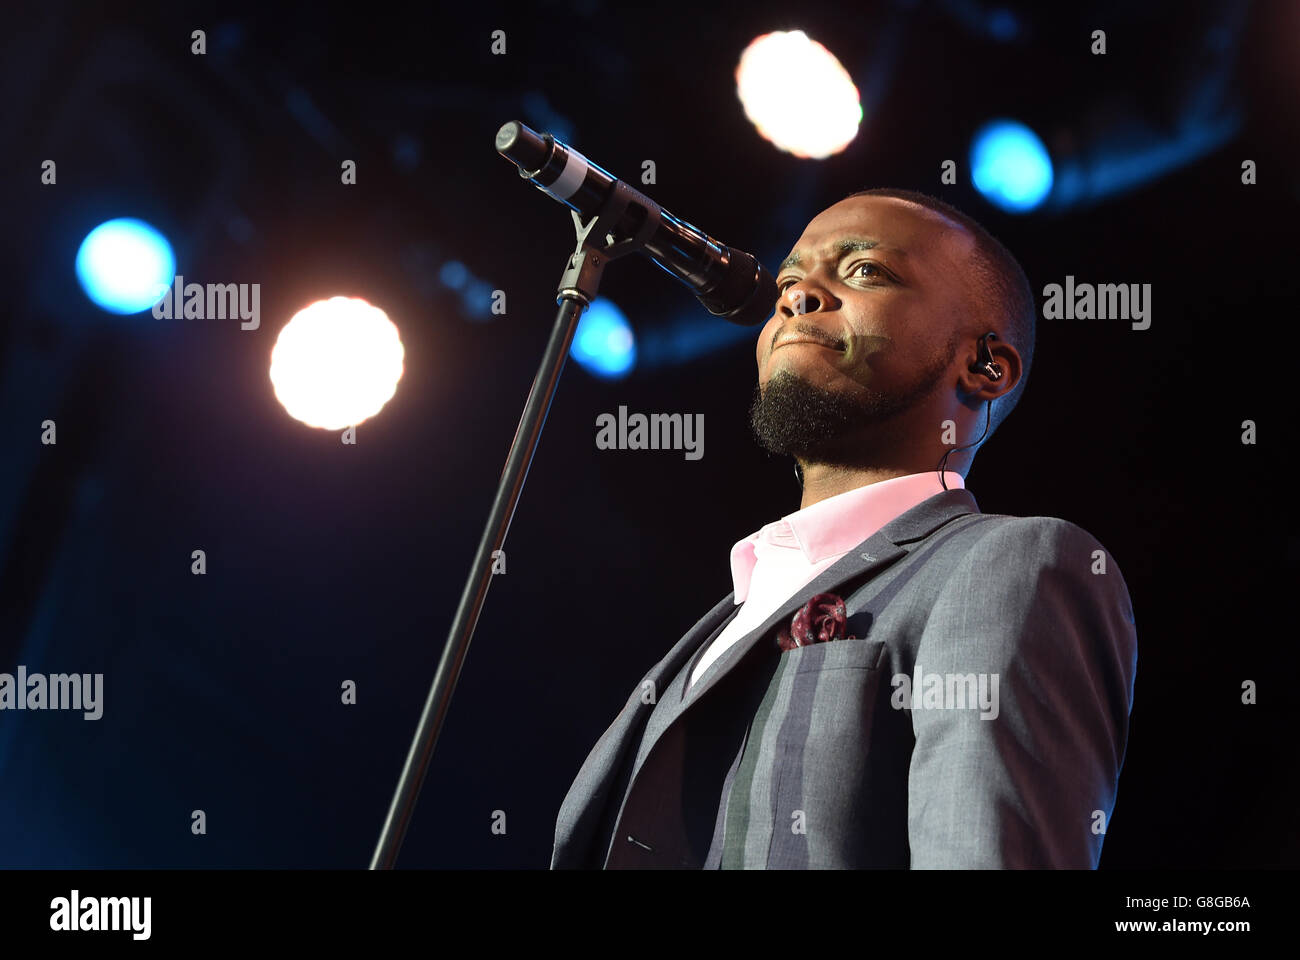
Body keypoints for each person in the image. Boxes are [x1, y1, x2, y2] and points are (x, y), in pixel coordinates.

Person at [550, 188, 1138, 869]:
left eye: (865, 272)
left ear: (984, 367)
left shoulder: (1010, 566)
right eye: (791, 280)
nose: (797, 297)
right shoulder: (722, 620)